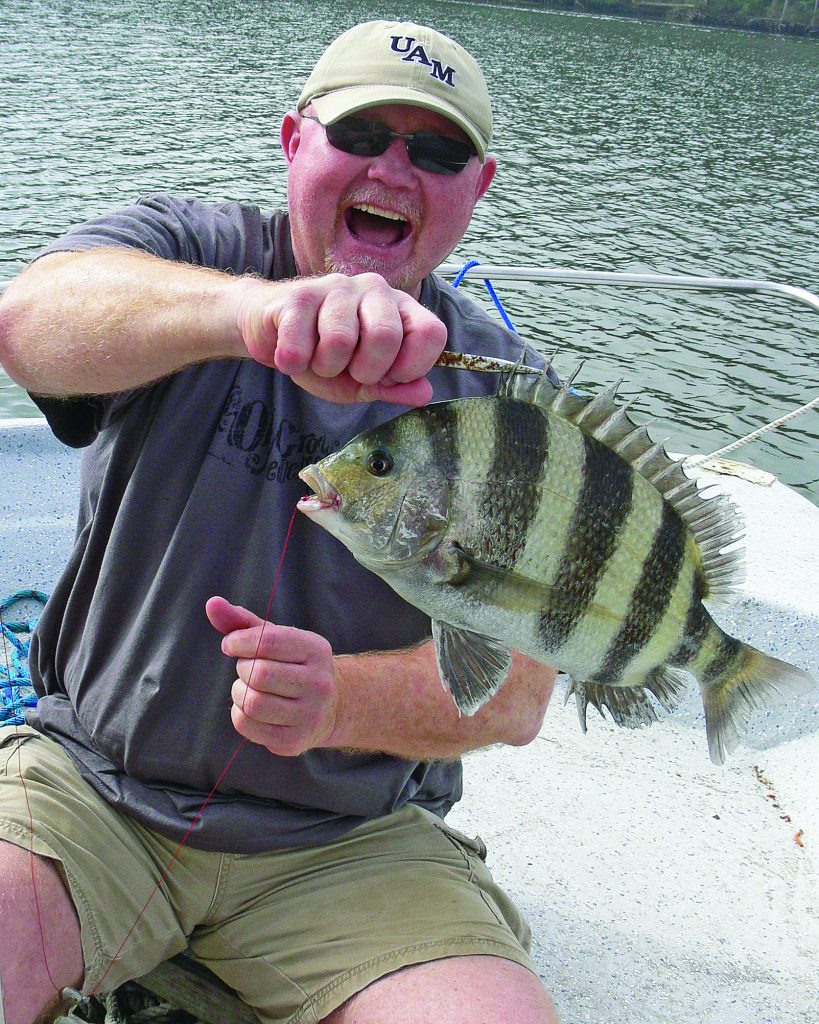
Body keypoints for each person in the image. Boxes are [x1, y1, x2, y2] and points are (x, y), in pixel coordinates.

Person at [0, 20, 558, 1024]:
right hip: (92, 792)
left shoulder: (508, 403)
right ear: (296, 143)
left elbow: (517, 693)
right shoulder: (191, 255)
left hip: (353, 842)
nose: (394, 167)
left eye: (436, 152)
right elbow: (33, 324)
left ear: (478, 188)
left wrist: (336, 700)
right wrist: (252, 320)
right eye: (360, 134)